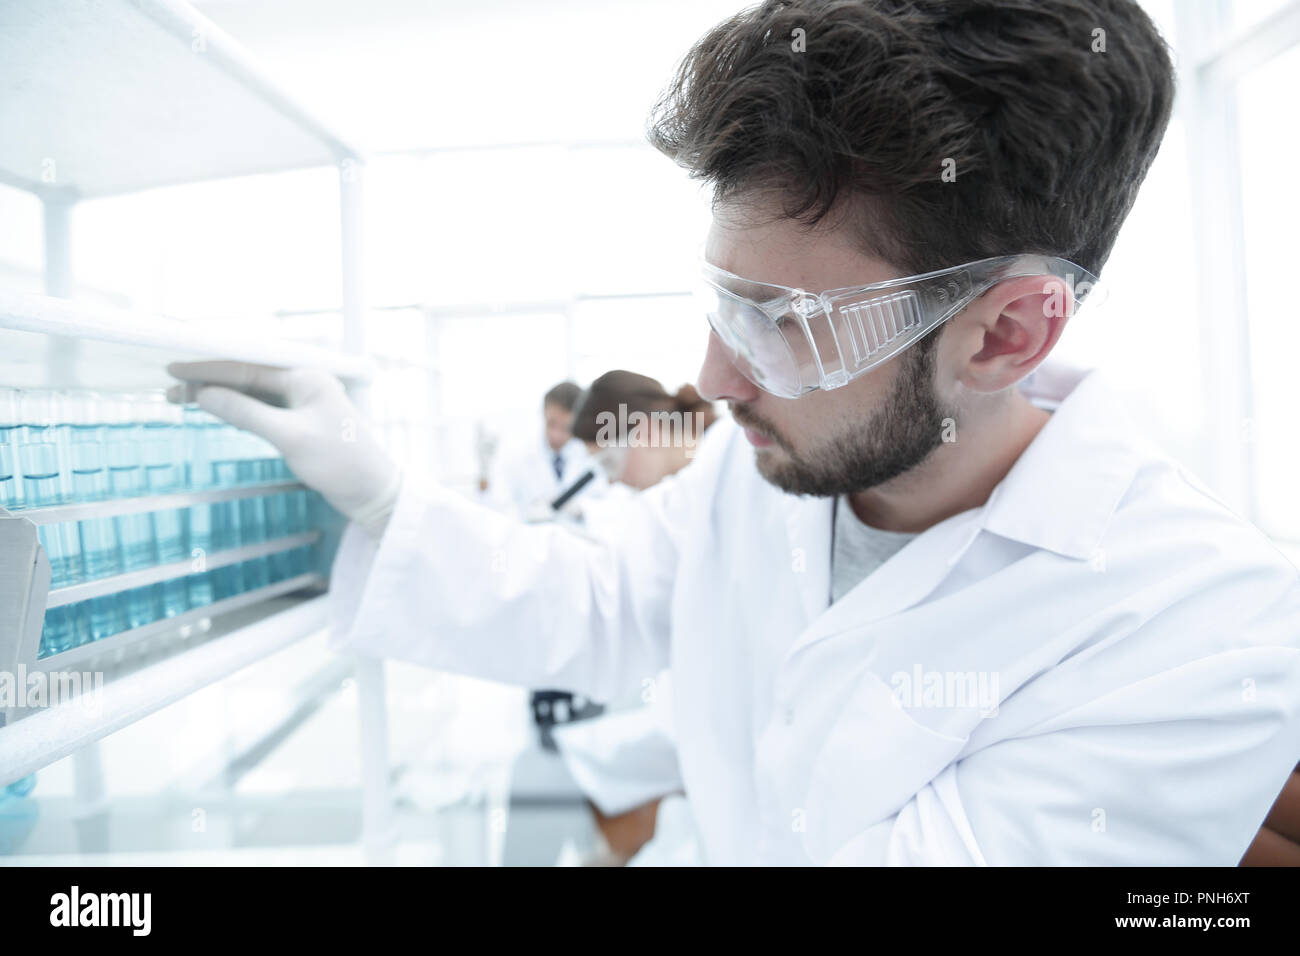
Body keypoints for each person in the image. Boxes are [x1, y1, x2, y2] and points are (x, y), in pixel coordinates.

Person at [169, 0, 1300, 865]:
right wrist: (383, 497)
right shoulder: (763, 473)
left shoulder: (1207, 630)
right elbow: (599, 601)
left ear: (1005, 332)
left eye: (785, 325)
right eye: (725, 303)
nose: (712, 379)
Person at [483, 381, 597, 520]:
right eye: (551, 423)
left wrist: (582, 509)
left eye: (566, 427)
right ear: (543, 414)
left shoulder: (591, 458)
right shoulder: (516, 457)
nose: (556, 434)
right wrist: (527, 515)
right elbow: (499, 509)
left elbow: (609, 507)